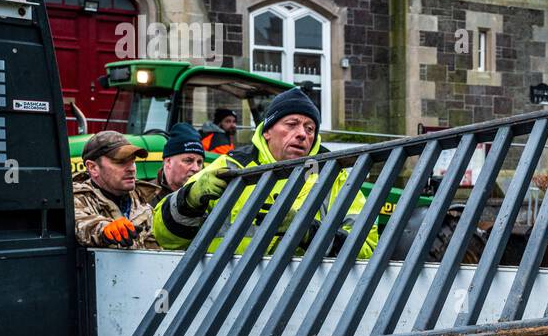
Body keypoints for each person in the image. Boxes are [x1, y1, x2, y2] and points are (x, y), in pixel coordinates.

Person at [153, 87, 380, 257]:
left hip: (301, 301)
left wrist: (307, 231)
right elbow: (167, 239)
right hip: (222, 293)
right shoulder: (230, 167)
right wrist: (190, 199)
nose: (302, 134)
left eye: (310, 128)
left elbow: (367, 250)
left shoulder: (334, 177)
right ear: (267, 132)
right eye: (292, 124)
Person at [73, 131, 163, 250]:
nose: (131, 168)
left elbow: (157, 252)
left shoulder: (141, 202)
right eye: (121, 162)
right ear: (93, 167)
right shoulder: (75, 199)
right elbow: (81, 224)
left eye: (133, 161)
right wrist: (105, 230)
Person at [153, 123, 206, 197]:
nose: (196, 168)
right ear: (168, 162)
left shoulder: (207, 196)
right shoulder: (144, 196)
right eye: (188, 161)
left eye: (199, 162)